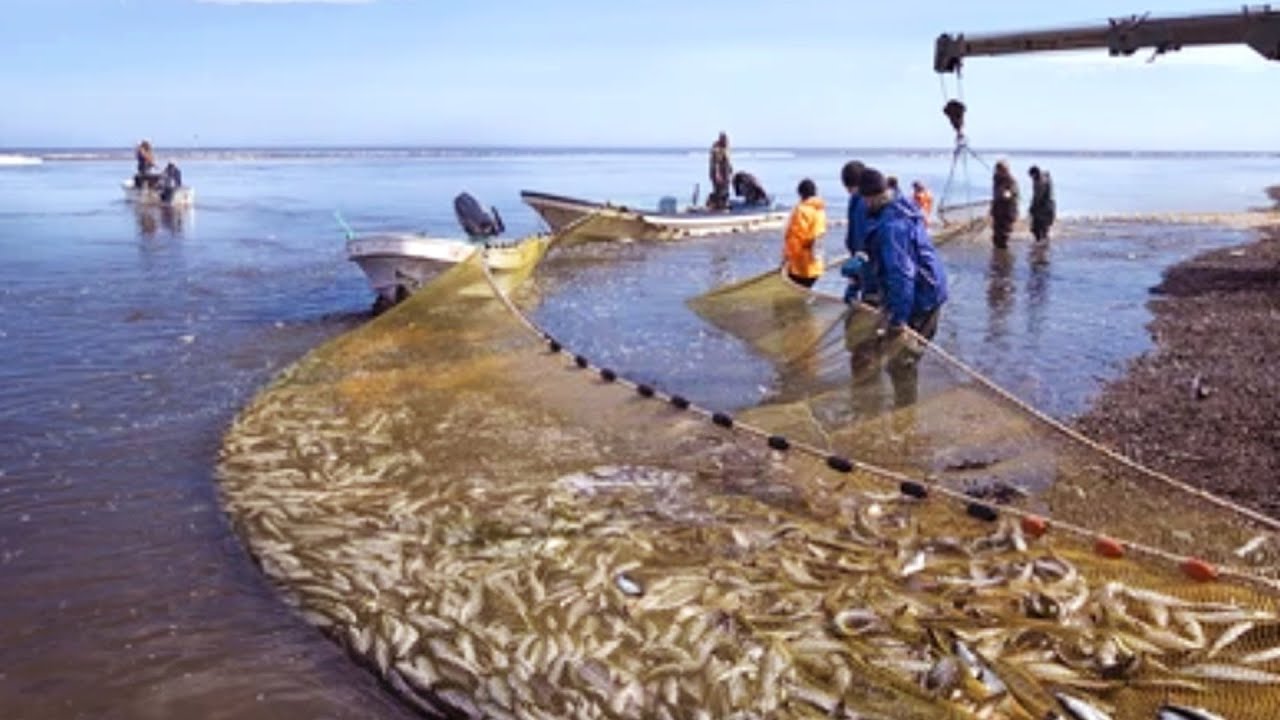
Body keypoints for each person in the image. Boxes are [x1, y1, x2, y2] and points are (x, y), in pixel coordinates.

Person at [839, 160, 877, 305]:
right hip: (869, 273)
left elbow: (863, 245)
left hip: (874, 277)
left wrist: (855, 279)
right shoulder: (861, 201)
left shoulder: (862, 203)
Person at [781, 178, 827, 288]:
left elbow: (795, 238)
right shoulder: (820, 210)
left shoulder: (801, 211)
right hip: (816, 265)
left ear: (800, 193)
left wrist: (786, 259)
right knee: (804, 292)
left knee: (791, 295)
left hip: (801, 266)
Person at [990, 160, 1019, 249]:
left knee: (1004, 235)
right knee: (996, 236)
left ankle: (1005, 258)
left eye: (1003, 170)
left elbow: (1012, 193)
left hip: (1008, 211)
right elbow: (995, 194)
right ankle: (999, 256)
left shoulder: (1011, 180)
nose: (1000, 172)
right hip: (997, 210)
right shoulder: (996, 179)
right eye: (999, 170)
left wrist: (1006, 193)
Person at [1028, 165, 1056, 241]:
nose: (1032, 179)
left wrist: (1032, 207)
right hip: (1047, 206)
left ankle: (1042, 246)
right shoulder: (1044, 179)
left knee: (1040, 229)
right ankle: (1043, 244)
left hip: (1044, 207)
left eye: (1032, 176)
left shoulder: (1041, 181)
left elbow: (1038, 196)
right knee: (1041, 229)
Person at [707, 132, 733, 210]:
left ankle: (720, 205)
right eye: (725, 139)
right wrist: (718, 174)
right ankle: (715, 205)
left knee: (723, 190)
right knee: (719, 191)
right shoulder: (718, 149)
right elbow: (717, 163)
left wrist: (731, 169)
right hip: (719, 174)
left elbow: (727, 161)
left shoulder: (725, 149)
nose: (726, 141)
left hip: (725, 173)